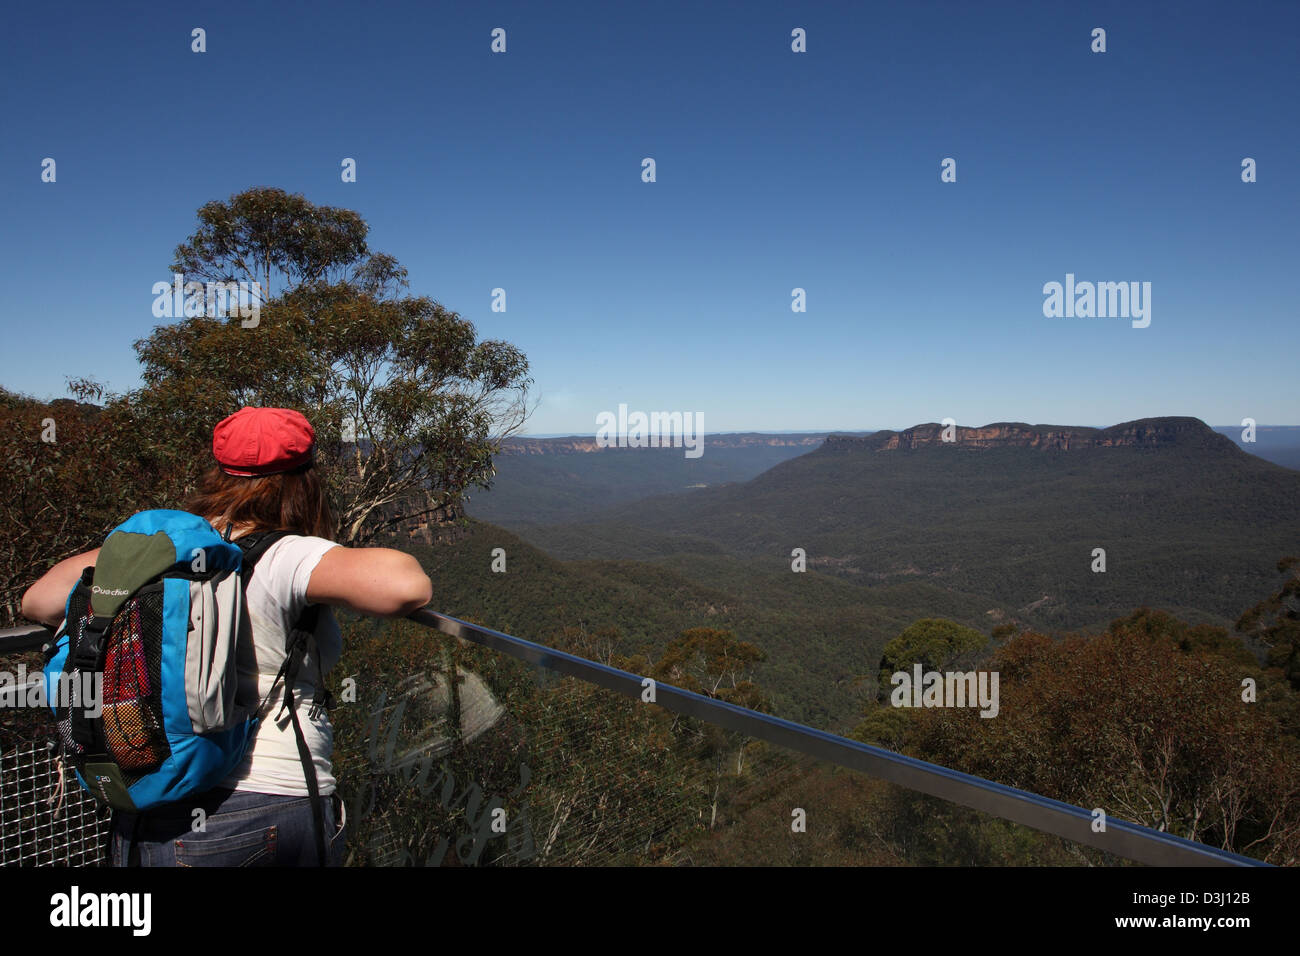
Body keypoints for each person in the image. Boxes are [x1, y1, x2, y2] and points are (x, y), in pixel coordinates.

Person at [19, 406, 433, 866]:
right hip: (270, 798)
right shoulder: (288, 554)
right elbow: (408, 586)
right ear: (305, 481)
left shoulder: (159, 553)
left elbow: (37, 601)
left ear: (218, 474)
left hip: (153, 787)